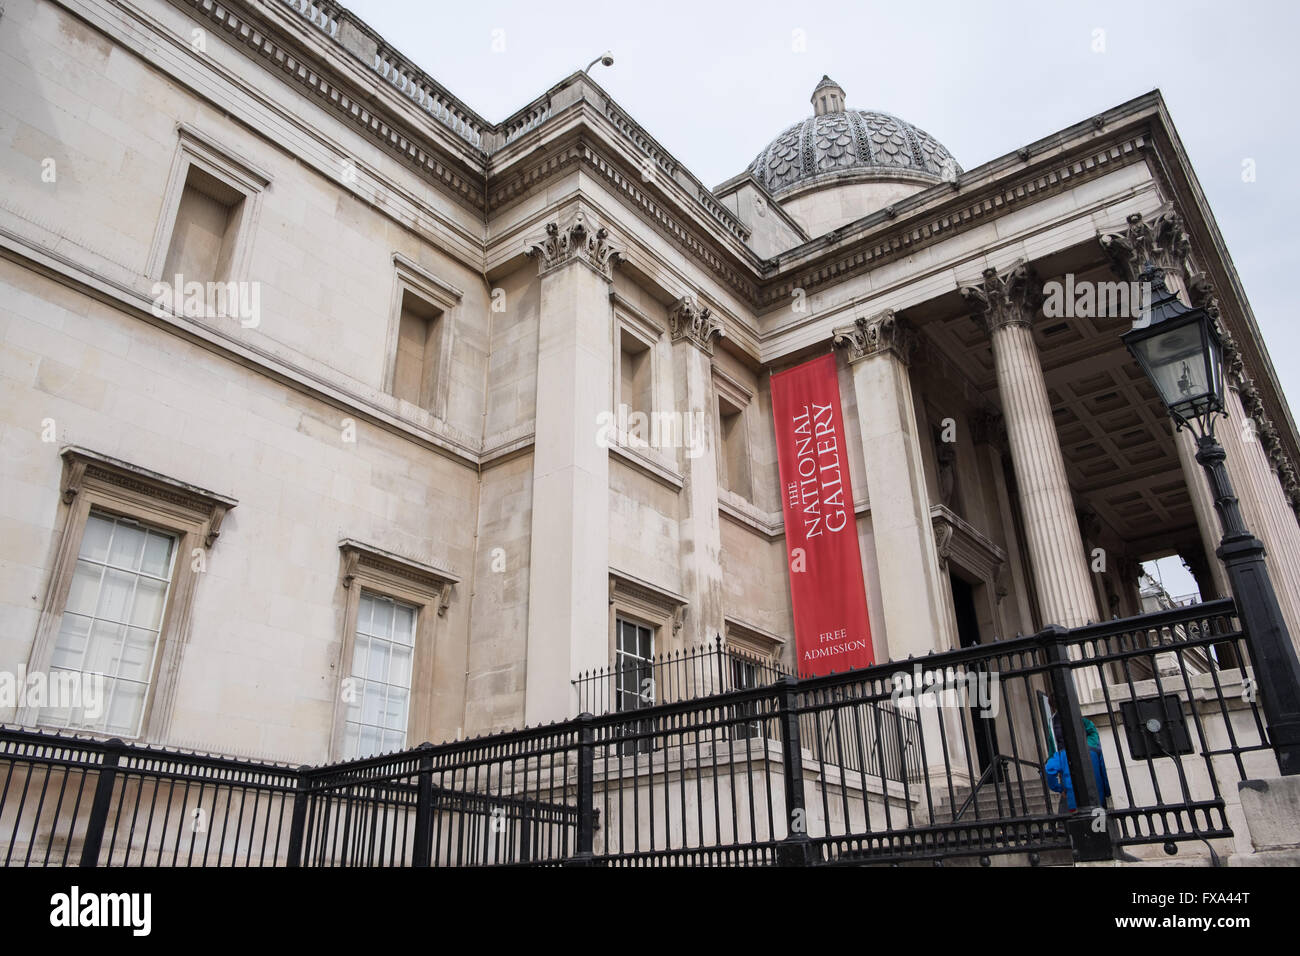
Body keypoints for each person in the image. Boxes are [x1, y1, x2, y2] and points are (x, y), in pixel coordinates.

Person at [1044, 743, 1111, 812]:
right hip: (1097, 799)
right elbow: (1105, 776)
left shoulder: (1062, 754)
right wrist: (1107, 792)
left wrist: (1059, 789)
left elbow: (1048, 770)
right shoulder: (1096, 752)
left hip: (1074, 801)